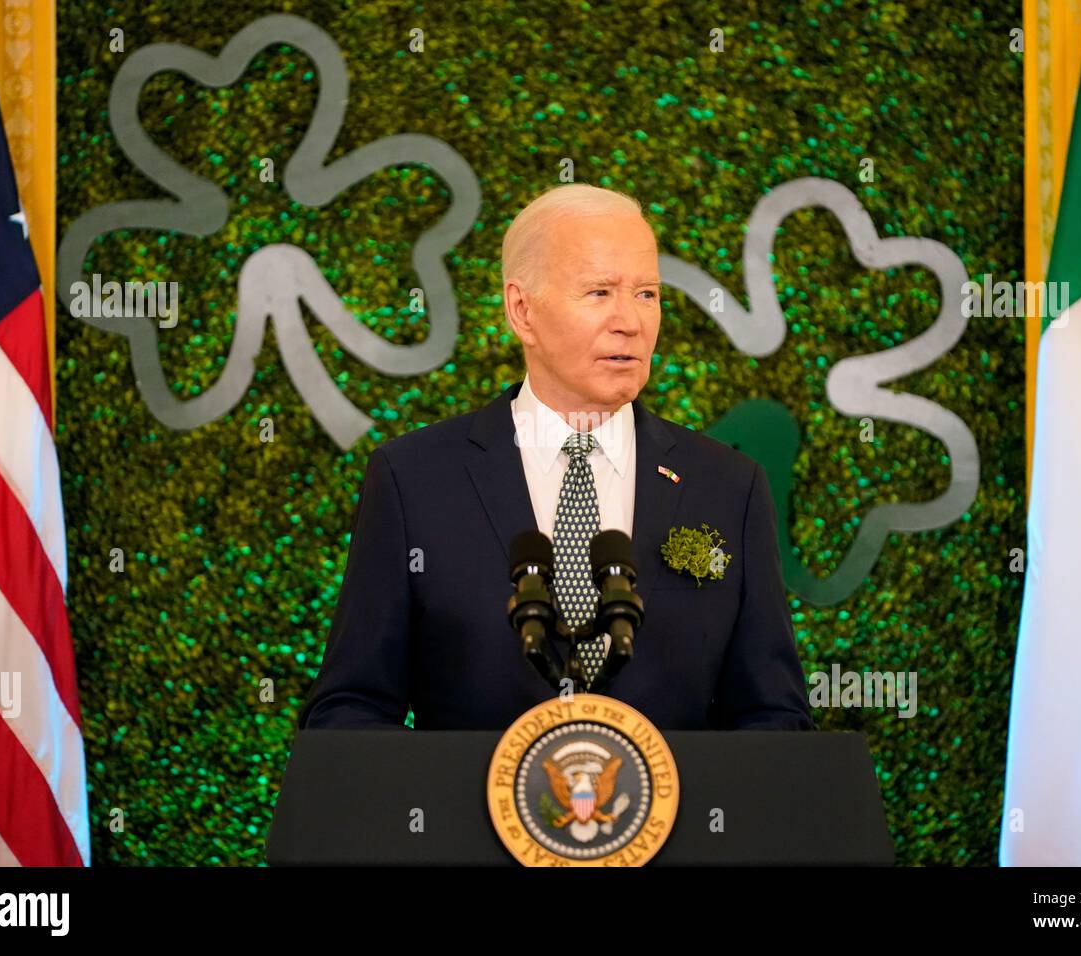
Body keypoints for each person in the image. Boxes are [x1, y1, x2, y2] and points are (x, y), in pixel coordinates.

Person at [300, 184, 813, 731]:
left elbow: (773, 716)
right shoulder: (415, 481)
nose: (631, 322)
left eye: (646, 294)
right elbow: (349, 709)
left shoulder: (730, 488)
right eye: (599, 293)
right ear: (522, 311)